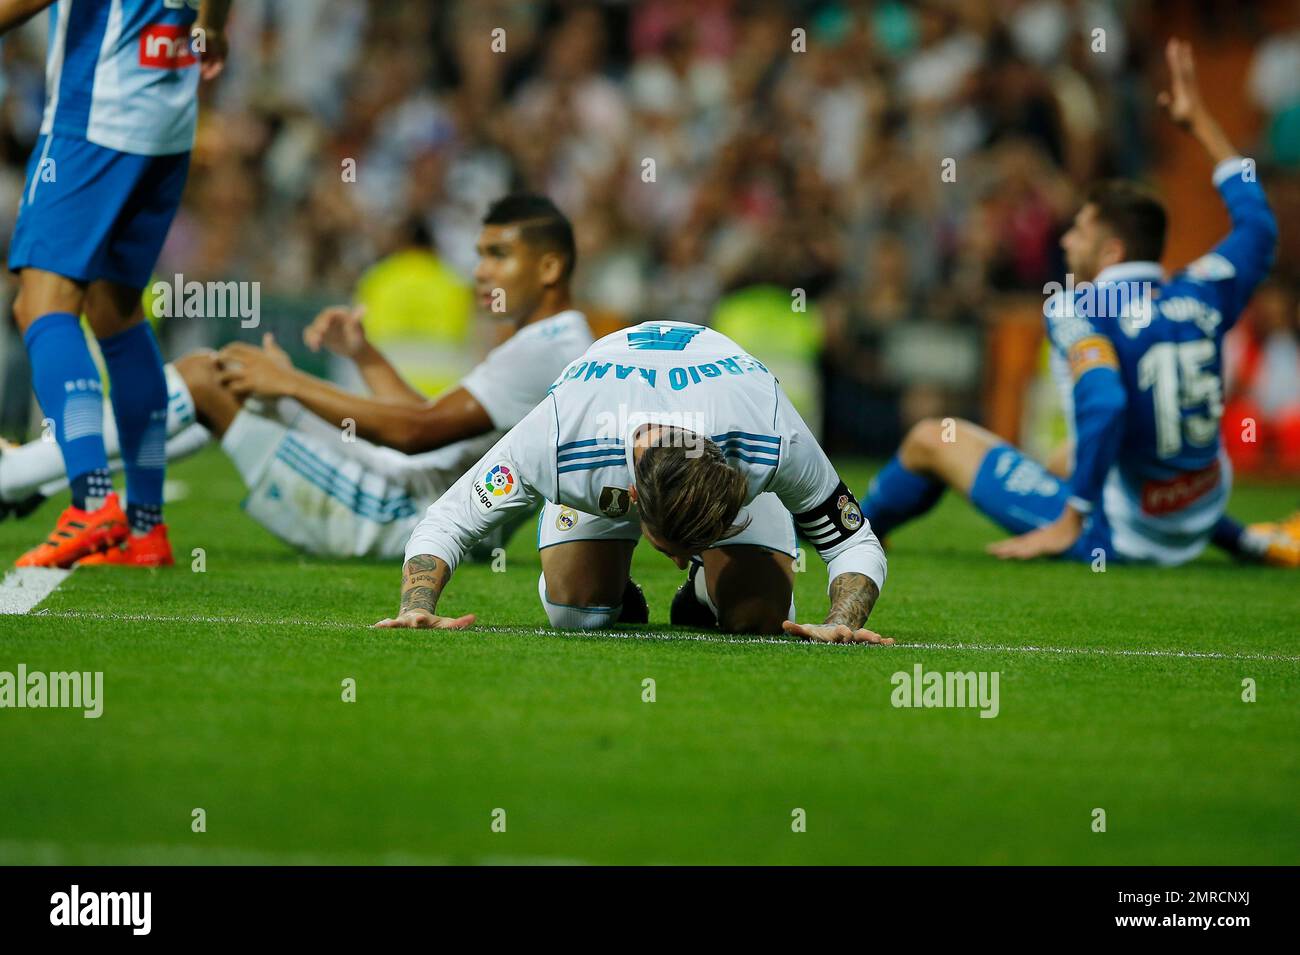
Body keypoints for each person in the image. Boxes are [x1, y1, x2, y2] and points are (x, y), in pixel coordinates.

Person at [860, 39, 1285, 568]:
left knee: (931, 436)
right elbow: (1259, 224)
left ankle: (849, 532)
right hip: (1196, 511)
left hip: (1123, 536)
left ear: (1112, 249)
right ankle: (1243, 538)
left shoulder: (1079, 307)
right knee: (1066, 455)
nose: (1065, 242)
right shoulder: (1202, 289)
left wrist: (1071, 518)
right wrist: (1201, 122)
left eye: (1079, 232)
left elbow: (1105, 401)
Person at [1, 194, 594, 561]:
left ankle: (18, 474)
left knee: (212, 377)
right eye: (480, 253)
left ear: (548, 266)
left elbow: (417, 433)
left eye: (498, 255)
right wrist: (364, 356)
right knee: (226, 381)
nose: (480, 270)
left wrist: (290, 383)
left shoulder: (549, 346)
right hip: (417, 504)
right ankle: (36, 480)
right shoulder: (552, 343)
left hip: (398, 519)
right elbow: (435, 424)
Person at [375, 320, 893, 645]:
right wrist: (416, 607)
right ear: (634, 500)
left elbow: (852, 536)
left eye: (695, 545)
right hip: (601, 436)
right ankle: (618, 589)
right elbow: (451, 515)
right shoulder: (560, 439)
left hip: (724, 425)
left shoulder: (770, 436)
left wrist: (840, 618)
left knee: (757, 618)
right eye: (675, 549)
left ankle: (703, 593)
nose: (674, 557)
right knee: (576, 611)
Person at [4, 0, 230, 568]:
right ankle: (145, 529)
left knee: (41, 305)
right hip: (168, 119)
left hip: (96, 116)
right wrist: (214, 25)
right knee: (117, 310)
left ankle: (91, 502)